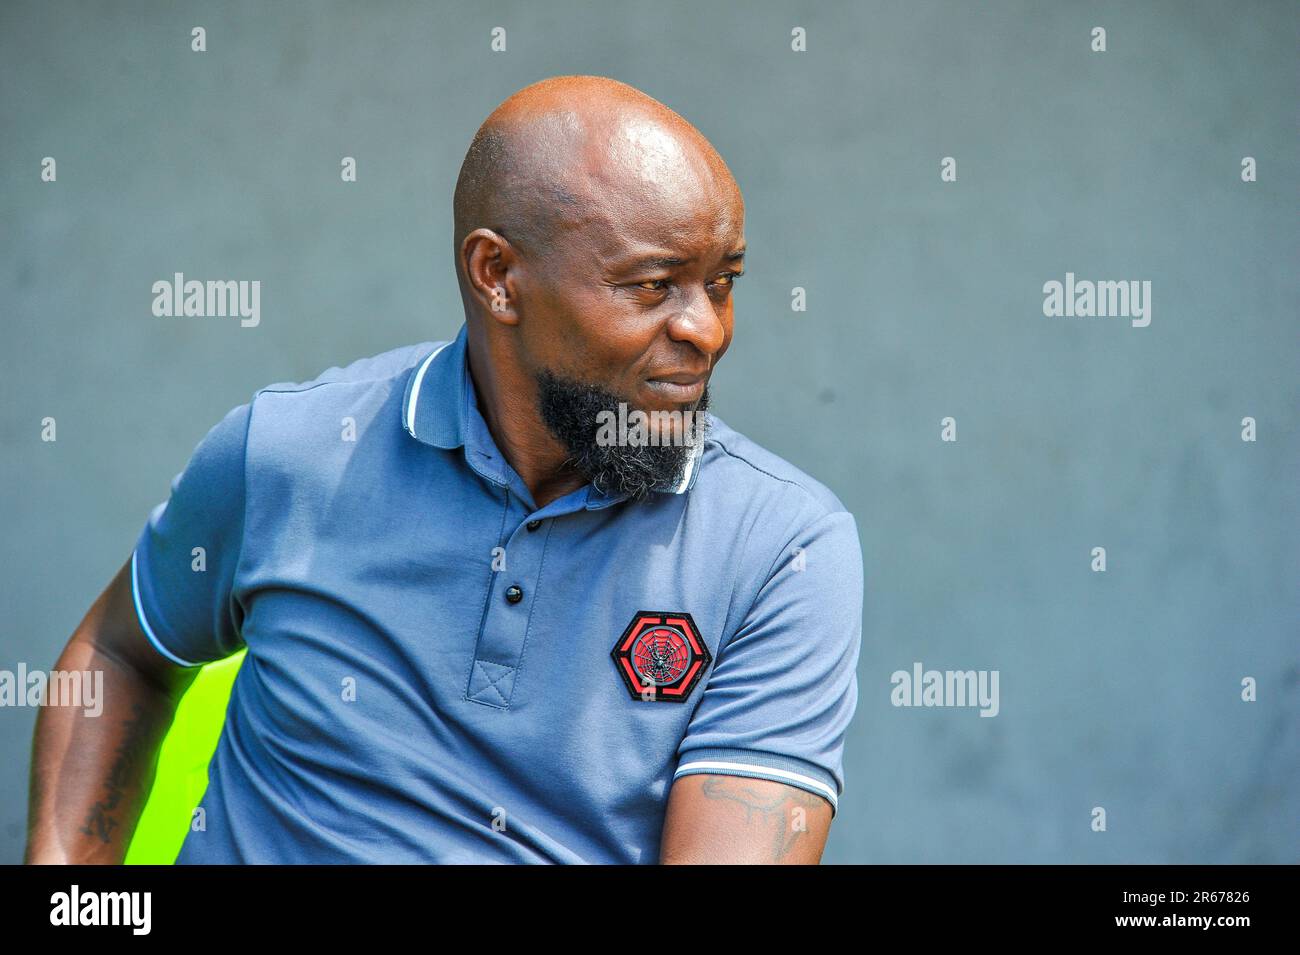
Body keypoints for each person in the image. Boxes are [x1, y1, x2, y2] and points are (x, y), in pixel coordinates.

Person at [25, 75, 863, 864]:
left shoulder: (780, 547)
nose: (707, 330)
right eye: (654, 285)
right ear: (497, 275)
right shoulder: (290, 452)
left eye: (723, 283)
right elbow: (121, 651)